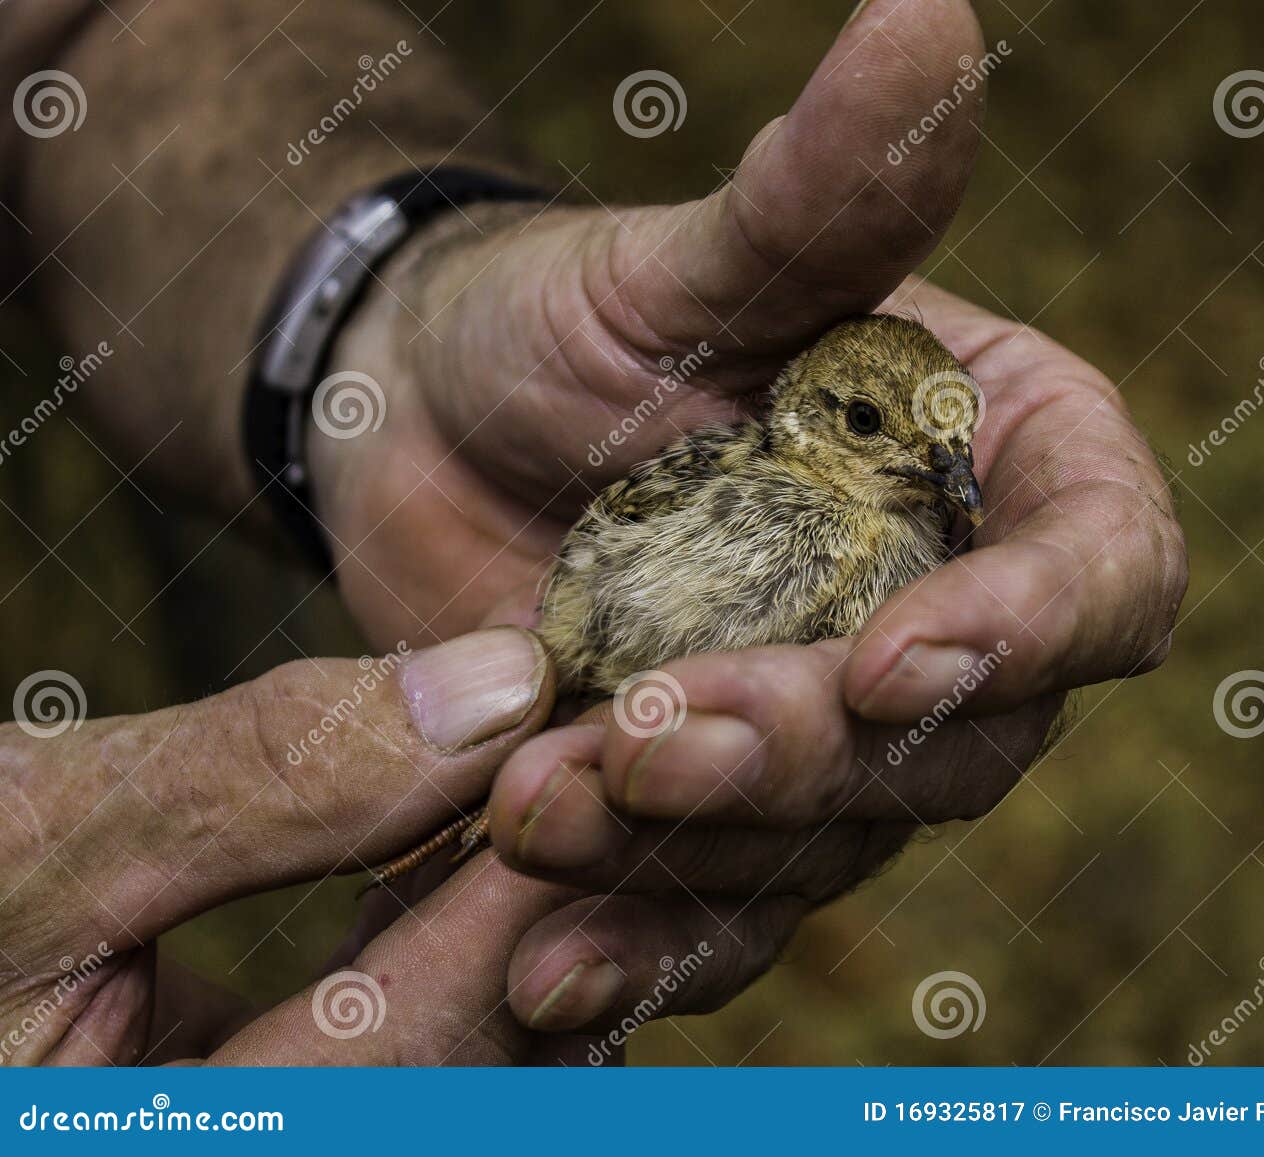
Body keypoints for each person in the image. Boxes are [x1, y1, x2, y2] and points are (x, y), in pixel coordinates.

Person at [0, 0, 1186, 1064]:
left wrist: (389, 312)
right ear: (818, 417)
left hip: (213, 485)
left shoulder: (901, 514)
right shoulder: (763, 484)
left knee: (520, 857)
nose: (926, 463)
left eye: (941, 437)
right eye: (872, 424)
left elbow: (87, 23)